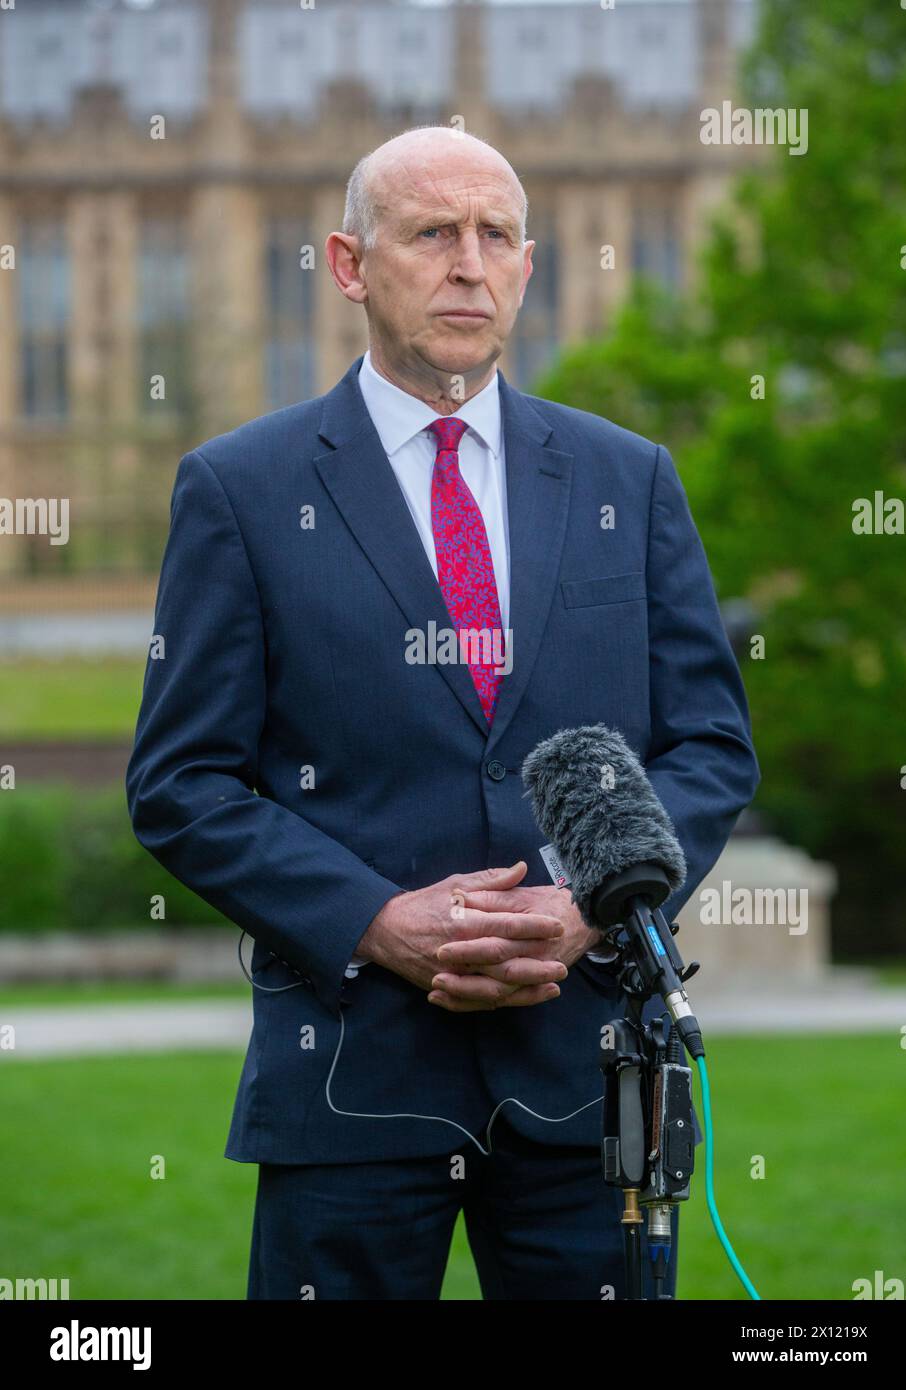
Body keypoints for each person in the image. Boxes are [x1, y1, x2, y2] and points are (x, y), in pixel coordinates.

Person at [126, 126, 760, 1300]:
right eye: (432, 233)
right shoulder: (242, 489)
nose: (469, 264)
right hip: (350, 1080)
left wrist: (588, 906)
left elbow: (710, 747)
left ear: (527, 265)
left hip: (586, 1084)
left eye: (495, 236)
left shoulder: (628, 479)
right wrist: (373, 920)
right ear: (349, 264)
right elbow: (181, 784)